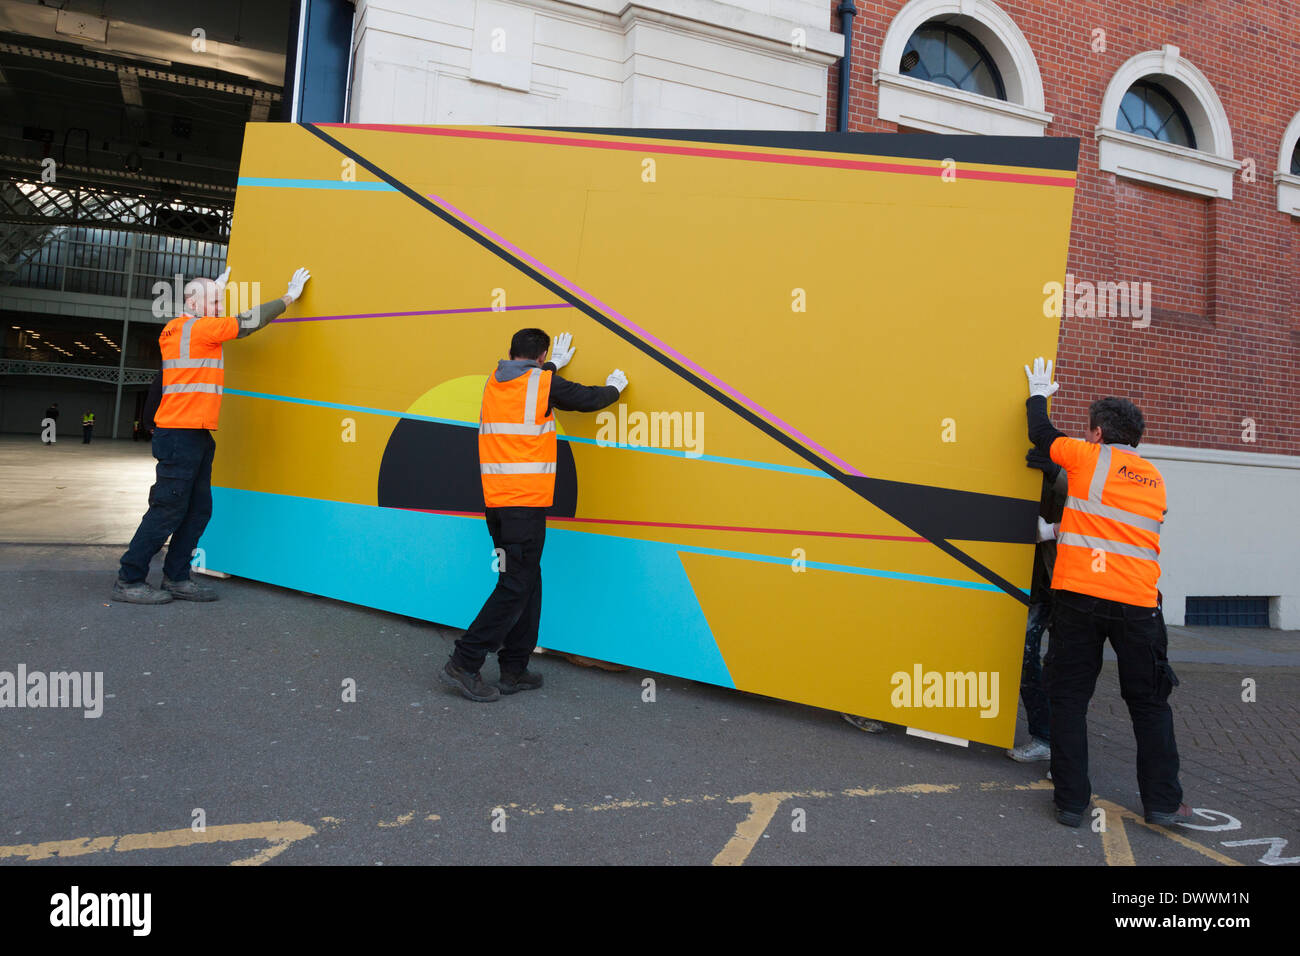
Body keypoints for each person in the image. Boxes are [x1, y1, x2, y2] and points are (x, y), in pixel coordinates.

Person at [1023, 357, 1189, 828]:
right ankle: (1162, 802)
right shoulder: (1154, 478)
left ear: (1096, 433)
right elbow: (1114, 526)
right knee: (1150, 703)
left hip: (1079, 597)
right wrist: (1058, 528)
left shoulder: (1084, 456)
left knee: (1070, 698)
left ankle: (1072, 803)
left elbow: (1042, 434)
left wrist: (1038, 393)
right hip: (1137, 605)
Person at [440, 328, 627, 701]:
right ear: (540, 357)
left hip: (499, 504)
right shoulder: (542, 384)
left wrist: (554, 364)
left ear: (512, 353)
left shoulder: (496, 381)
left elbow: (533, 386)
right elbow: (586, 399)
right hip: (522, 506)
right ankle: (465, 660)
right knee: (514, 585)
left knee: (527, 580)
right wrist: (615, 389)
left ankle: (514, 668)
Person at [112, 265, 311, 604]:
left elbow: (201, 308)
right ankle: (129, 579)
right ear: (193, 302)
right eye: (216, 302)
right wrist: (288, 298)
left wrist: (212, 288)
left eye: (221, 302)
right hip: (180, 435)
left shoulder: (178, 328)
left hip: (196, 434)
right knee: (167, 509)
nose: (221, 309)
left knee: (197, 509)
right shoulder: (200, 329)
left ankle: (176, 577)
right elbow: (246, 322)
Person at [1005, 446, 1067, 762]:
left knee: (1052, 664)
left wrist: (1055, 472)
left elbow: (1085, 497)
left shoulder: (1063, 470)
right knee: (1024, 656)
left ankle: (1051, 742)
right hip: (1024, 583)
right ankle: (1045, 736)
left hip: (1056, 587)